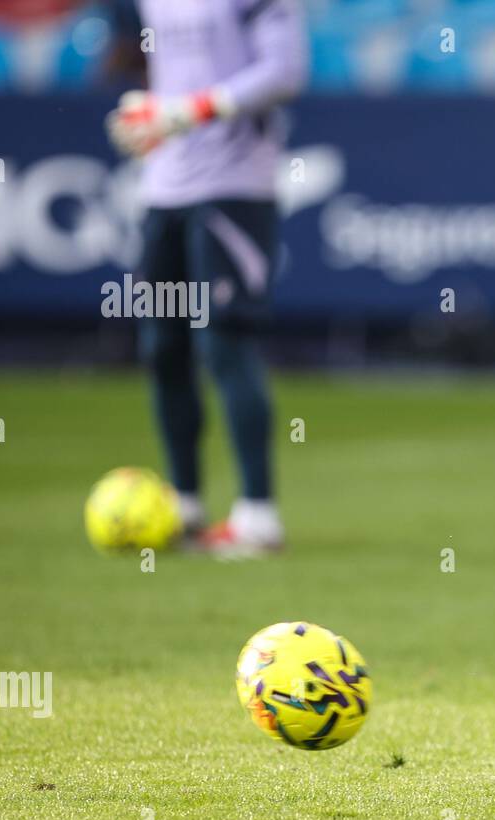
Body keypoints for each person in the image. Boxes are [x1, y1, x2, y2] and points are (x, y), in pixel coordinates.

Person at [105, 0, 307, 556]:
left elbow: (283, 72)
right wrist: (149, 110)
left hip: (235, 187)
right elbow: (142, 58)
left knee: (224, 343)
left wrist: (188, 111)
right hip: (164, 185)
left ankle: (258, 515)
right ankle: (186, 503)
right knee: (163, 346)